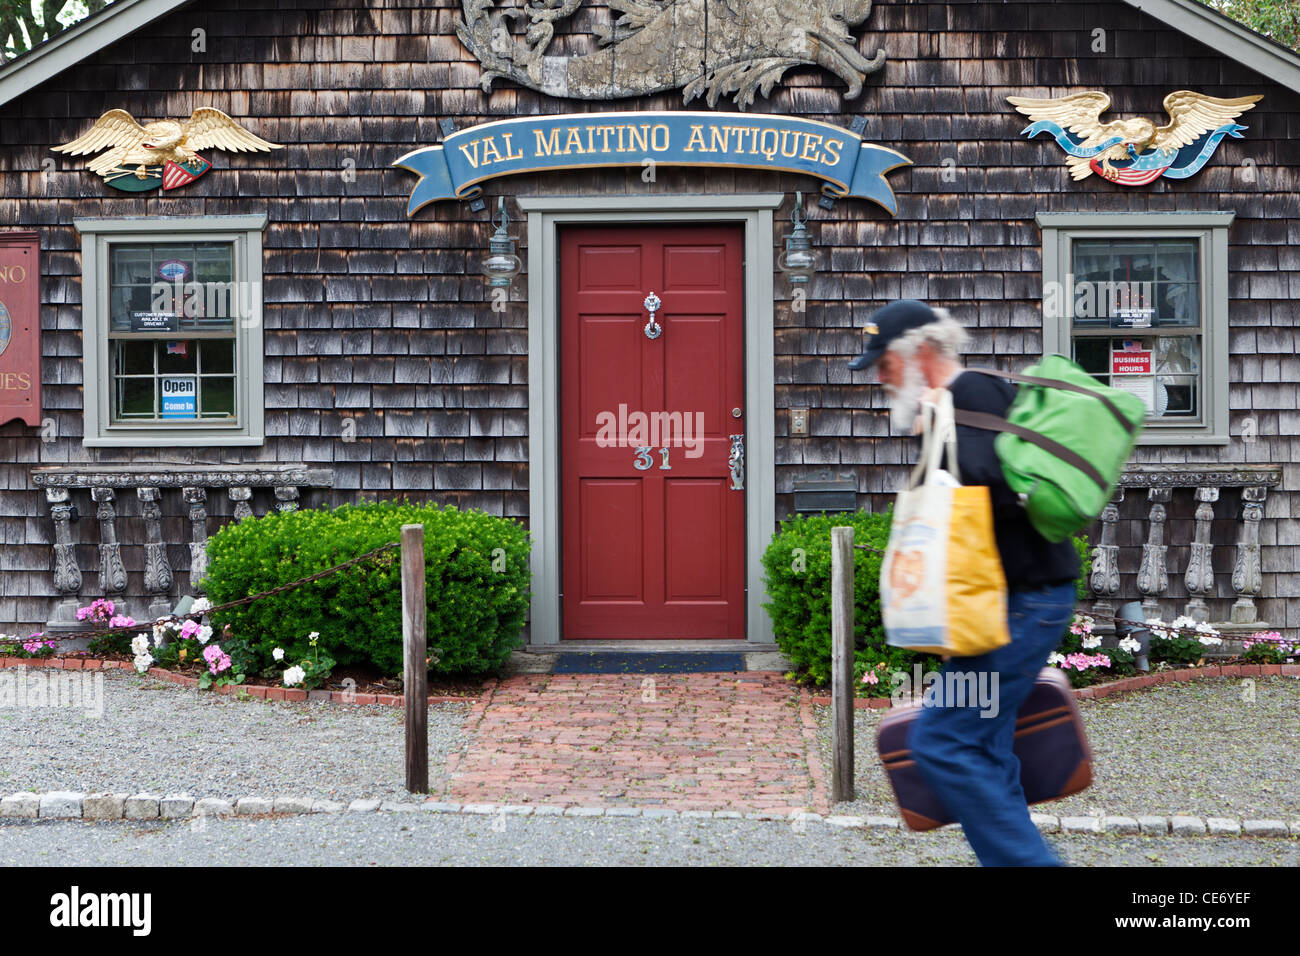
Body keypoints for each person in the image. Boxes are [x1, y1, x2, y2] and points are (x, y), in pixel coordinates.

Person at [849, 298, 1080, 867]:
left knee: (942, 741)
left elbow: (1002, 493)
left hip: (1023, 605)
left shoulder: (971, 396)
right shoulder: (956, 404)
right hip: (1006, 606)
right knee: (983, 742)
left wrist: (947, 443)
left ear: (920, 352)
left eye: (886, 363)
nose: (880, 376)